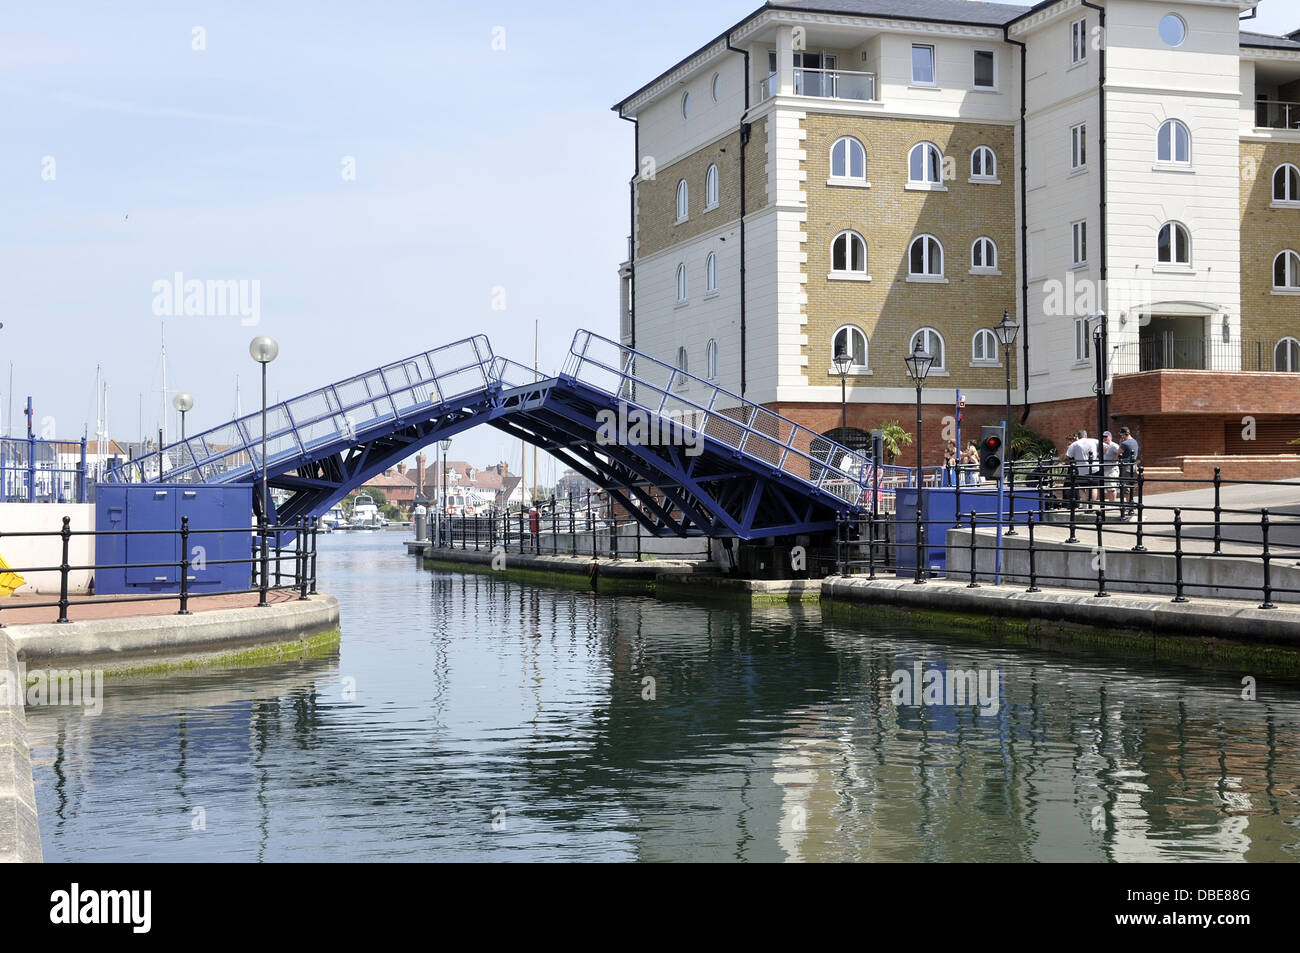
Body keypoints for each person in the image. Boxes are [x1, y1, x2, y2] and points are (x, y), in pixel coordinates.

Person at [1063, 429, 1101, 504]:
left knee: (1081, 488)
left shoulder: (1074, 444)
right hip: (1095, 468)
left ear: (1078, 436)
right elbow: (1106, 447)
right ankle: (1091, 506)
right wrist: (1097, 454)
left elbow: (1066, 457)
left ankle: (1085, 506)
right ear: (1086, 435)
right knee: (1093, 487)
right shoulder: (1093, 441)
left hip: (1082, 469)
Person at [1117, 426, 1140, 518]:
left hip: (1126, 466)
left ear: (1123, 434)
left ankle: (1129, 507)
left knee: (1125, 487)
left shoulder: (1124, 443)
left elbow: (1118, 452)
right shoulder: (1135, 441)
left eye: (1121, 435)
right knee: (1131, 486)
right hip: (1133, 466)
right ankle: (1131, 505)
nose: (1121, 437)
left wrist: (1120, 443)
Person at [1100, 431, 1120, 504]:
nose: (1104, 438)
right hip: (1105, 469)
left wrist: (1115, 460)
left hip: (1112, 469)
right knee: (1108, 488)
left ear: (1110, 437)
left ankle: (1112, 504)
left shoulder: (1114, 445)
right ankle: (1110, 503)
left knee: (1111, 487)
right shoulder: (1102, 446)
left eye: (1106, 437)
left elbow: (1120, 453)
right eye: (1103, 437)